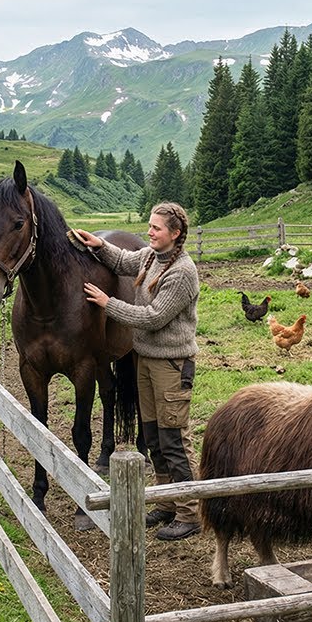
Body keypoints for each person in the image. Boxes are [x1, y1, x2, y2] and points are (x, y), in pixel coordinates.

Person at [74, 203, 201, 541]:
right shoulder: (150, 257)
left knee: (174, 438)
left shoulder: (182, 272)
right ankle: (166, 502)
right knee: (154, 437)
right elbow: (123, 261)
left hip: (171, 364)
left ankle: (190, 512)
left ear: (175, 234)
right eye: (149, 226)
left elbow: (153, 317)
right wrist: (99, 246)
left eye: (156, 228)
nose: (150, 232)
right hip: (146, 359)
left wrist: (107, 303)